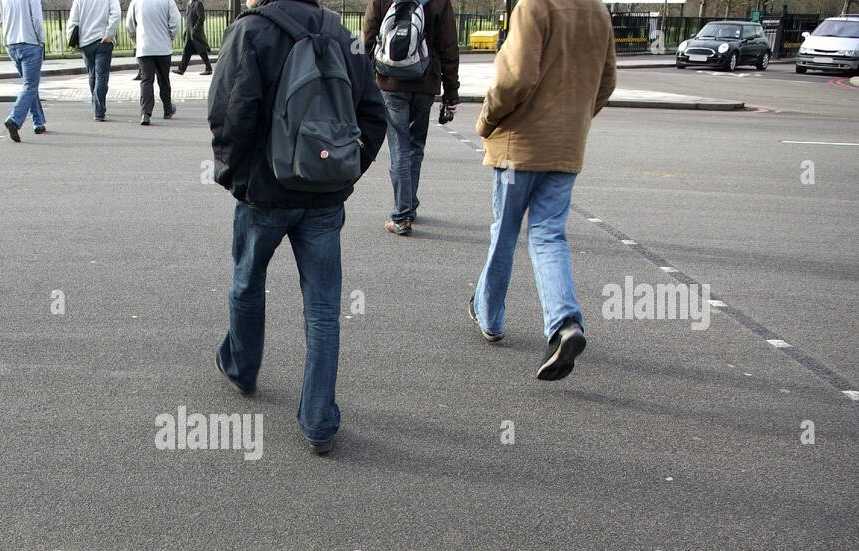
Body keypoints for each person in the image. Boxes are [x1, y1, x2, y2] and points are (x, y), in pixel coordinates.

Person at [208, 0, 386, 455]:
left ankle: (243, 370)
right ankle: (319, 422)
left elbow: (230, 114)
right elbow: (373, 114)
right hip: (324, 197)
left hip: (265, 193)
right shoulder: (340, 32)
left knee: (247, 283)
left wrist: (238, 178)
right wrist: (343, 171)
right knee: (323, 309)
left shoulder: (250, 31)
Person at [471, 0, 615, 381]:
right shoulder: (599, 11)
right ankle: (564, 323)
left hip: (519, 145)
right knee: (549, 234)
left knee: (504, 233)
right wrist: (575, 120)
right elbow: (607, 82)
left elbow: (514, 77)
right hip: (566, 147)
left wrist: (487, 119)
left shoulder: (535, 6)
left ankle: (491, 318)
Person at [362, 0, 459, 236]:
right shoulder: (439, 2)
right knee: (415, 145)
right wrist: (451, 91)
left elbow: (367, 38)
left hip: (390, 81)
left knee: (399, 148)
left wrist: (365, 81)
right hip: (425, 80)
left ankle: (402, 214)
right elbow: (449, 48)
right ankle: (409, 205)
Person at [0, 0, 47, 140]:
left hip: (11, 44)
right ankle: (14, 119)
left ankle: (38, 122)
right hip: (30, 43)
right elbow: (36, 19)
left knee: (29, 85)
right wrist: (41, 40)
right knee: (30, 86)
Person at [127, 0, 181, 124]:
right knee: (164, 79)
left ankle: (145, 113)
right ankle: (167, 109)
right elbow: (175, 21)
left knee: (146, 80)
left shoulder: (136, 2)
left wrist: (135, 37)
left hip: (144, 47)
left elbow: (129, 24)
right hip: (163, 47)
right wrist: (171, 36)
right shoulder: (168, 1)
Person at [69, 0, 122, 120]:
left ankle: (96, 106)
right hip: (103, 40)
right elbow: (116, 13)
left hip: (85, 41)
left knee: (92, 74)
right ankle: (99, 110)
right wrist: (110, 33)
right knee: (101, 76)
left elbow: (74, 19)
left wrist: (72, 39)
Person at [175, 0, 212, 75]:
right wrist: (186, 31)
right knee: (186, 51)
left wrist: (195, 29)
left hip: (195, 34)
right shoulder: (189, 3)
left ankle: (208, 68)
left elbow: (201, 17)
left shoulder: (198, 4)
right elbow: (188, 19)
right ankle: (181, 69)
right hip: (189, 33)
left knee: (201, 50)